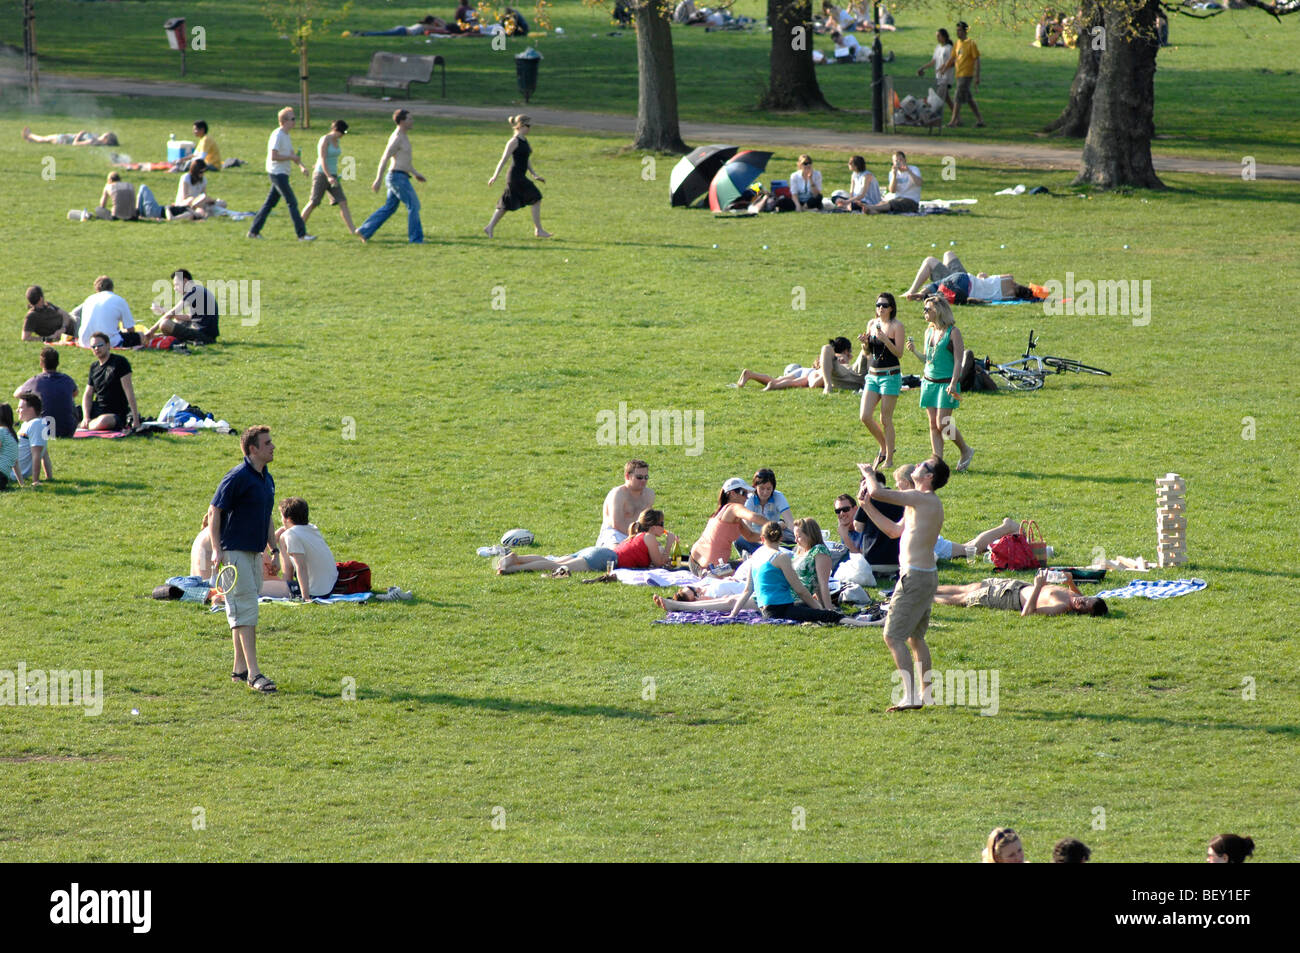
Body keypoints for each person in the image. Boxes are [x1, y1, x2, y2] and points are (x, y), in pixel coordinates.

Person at [862, 457, 949, 711]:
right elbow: (893, 531)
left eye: (924, 464)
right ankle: (927, 694)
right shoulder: (920, 502)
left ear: (929, 477)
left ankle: (911, 696)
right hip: (922, 576)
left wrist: (869, 473)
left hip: (915, 578)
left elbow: (878, 491)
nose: (918, 465)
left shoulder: (923, 498)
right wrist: (866, 507)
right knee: (915, 638)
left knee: (892, 636)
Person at [209, 426, 280, 692]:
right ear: (253, 449)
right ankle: (255, 674)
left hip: (253, 553)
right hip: (234, 554)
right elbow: (215, 510)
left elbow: (267, 515)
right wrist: (217, 549)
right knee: (246, 611)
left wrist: (274, 550)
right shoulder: (237, 476)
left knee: (242, 611)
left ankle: (239, 669)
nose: (273, 446)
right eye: (267, 443)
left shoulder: (266, 478)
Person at [728, 522, 870, 626]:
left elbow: (747, 590)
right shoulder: (781, 557)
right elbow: (800, 590)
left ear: (762, 538)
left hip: (765, 609)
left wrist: (733, 614)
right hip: (781, 608)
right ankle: (870, 624)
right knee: (827, 615)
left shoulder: (756, 555)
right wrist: (820, 610)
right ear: (781, 538)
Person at [905, 295, 974, 471]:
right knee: (933, 425)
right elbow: (928, 359)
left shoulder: (953, 332)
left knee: (943, 423)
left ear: (938, 310)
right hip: (929, 382)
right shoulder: (928, 331)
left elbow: (959, 361)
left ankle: (965, 450)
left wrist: (953, 382)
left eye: (928, 309)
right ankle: (937, 462)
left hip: (946, 384)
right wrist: (914, 352)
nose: (924, 312)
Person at [496, 508, 677, 576]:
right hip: (602, 559)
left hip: (600, 552)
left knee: (557, 561)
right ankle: (513, 568)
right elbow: (659, 563)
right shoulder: (649, 538)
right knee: (554, 566)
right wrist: (669, 544)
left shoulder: (640, 536)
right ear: (653, 526)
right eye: (662, 524)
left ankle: (517, 557)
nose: (664, 527)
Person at [357, 110, 426, 244]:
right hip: (397, 177)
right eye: (409, 119)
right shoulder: (397, 138)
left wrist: (416, 173)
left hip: (401, 176)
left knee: (390, 207)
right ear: (402, 122)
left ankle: (365, 230)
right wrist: (378, 179)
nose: (412, 121)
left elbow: (404, 161)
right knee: (414, 206)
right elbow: (385, 158)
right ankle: (416, 239)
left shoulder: (404, 136)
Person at [247, 107, 315, 241]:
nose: (295, 121)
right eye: (292, 119)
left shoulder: (286, 135)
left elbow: (292, 155)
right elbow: (274, 156)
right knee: (292, 202)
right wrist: (291, 158)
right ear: (284, 121)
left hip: (282, 173)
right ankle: (301, 235)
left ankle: (253, 232)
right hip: (277, 173)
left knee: (269, 204)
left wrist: (301, 166)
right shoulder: (277, 135)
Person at [859, 291, 905, 469]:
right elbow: (867, 353)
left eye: (884, 305)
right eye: (878, 305)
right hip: (873, 376)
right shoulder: (872, 323)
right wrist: (865, 343)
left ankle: (889, 460)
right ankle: (884, 446)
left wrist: (885, 339)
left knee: (885, 419)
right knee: (864, 416)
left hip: (890, 376)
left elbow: (899, 353)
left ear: (891, 308)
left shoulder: (896, 326)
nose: (880, 308)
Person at [260, 497, 340, 600]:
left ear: (287, 519)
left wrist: (305, 597)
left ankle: (288, 586)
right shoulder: (311, 528)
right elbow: (271, 542)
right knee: (282, 538)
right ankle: (287, 583)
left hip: (314, 591)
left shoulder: (290, 535)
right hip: (330, 587)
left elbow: (301, 567)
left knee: (254, 588)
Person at [485, 115, 551, 238]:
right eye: (528, 126)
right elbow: (503, 159)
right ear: (521, 125)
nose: (530, 128)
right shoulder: (513, 141)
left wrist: (534, 174)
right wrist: (494, 176)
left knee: (506, 203)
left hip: (519, 176)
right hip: (515, 177)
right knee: (536, 197)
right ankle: (539, 230)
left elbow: (526, 160)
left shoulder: (524, 140)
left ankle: (489, 227)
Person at [934, 570, 1109, 616]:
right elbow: (1077, 593)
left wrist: (1039, 586)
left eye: (1084, 605)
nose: (1081, 600)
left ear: (1083, 612)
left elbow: (1028, 613)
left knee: (964, 598)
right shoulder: (1075, 596)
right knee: (969, 587)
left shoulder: (1061, 607)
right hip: (1016, 585)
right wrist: (1070, 581)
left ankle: (928, 598)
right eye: (1086, 598)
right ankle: (927, 587)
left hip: (1010, 598)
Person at [689, 478, 771, 573]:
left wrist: (768, 536)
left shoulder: (724, 512)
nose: (746, 497)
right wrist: (773, 525)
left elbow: (750, 536)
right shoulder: (734, 508)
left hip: (694, 561)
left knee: (746, 562)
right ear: (732, 493)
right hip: (711, 569)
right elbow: (753, 516)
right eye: (743, 493)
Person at [735, 337, 861, 392]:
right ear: (846, 350)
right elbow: (839, 371)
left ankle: (750, 375)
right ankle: (771, 387)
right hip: (812, 375)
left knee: (778, 379)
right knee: (795, 383)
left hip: (805, 370)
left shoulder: (827, 354)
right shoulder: (841, 358)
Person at [903, 251, 1038, 303]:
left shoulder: (1008, 278)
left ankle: (913, 291)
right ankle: (937, 280)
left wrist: (983, 277)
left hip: (966, 280)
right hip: (967, 281)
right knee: (948, 255)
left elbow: (987, 279)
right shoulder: (1008, 297)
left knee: (929, 261)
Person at [301, 120, 358, 235]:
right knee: (314, 202)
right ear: (336, 130)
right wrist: (328, 176)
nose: (343, 135)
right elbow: (322, 158)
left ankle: (353, 230)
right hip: (322, 175)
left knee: (343, 202)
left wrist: (333, 176)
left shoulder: (337, 140)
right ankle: (300, 226)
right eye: (343, 132)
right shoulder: (325, 140)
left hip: (333, 175)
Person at [82, 332, 142, 432]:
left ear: (108, 345)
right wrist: (86, 416)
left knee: (104, 421)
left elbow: (129, 391)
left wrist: (135, 419)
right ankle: (86, 423)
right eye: (93, 346)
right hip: (97, 409)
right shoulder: (94, 367)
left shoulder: (120, 362)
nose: (96, 348)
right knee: (67, 411)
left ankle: (84, 426)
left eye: (100, 345)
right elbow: (88, 394)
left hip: (115, 413)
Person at [14, 346, 79, 437]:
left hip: (43, 430)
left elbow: (17, 394)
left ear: (41, 363)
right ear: (58, 363)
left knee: (28, 400)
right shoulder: (67, 380)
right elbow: (75, 393)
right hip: (67, 431)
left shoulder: (35, 381)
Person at [143, 269, 220, 345]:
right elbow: (190, 317)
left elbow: (172, 312)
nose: (175, 288)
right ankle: (158, 337)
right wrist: (164, 312)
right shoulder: (198, 290)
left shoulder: (193, 292)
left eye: (177, 284)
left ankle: (155, 337)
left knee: (165, 323)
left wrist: (151, 330)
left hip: (204, 336)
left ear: (185, 281)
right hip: (207, 335)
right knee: (177, 320)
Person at [736, 468, 794, 555]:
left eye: (769, 489)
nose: (765, 492)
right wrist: (763, 540)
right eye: (762, 488)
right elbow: (747, 526)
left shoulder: (778, 496)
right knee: (739, 539)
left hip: (775, 537)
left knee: (792, 538)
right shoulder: (749, 499)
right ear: (755, 487)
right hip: (756, 537)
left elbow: (790, 522)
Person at [598, 459, 654, 549]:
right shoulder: (618, 493)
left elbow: (647, 522)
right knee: (618, 552)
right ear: (627, 476)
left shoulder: (649, 494)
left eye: (646, 477)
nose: (643, 480)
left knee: (659, 551)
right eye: (639, 477)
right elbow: (616, 523)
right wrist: (635, 538)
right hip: (615, 535)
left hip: (637, 536)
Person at [74, 276, 139, 349]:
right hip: (108, 342)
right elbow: (130, 329)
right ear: (112, 287)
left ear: (96, 289)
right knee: (139, 336)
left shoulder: (89, 299)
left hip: (84, 342)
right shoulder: (119, 300)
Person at [945, 21, 984, 127]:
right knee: (969, 99)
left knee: (957, 98)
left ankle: (954, 121)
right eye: (957, 30)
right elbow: (952, 58)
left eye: (960, 30)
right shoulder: (957, 43)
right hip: (959, 75)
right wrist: (944, 68)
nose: (958, 32)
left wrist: (977, 76)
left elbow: (977, 59)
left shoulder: (971, 43)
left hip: (966, 75)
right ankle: (980, 120)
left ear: (965, 31)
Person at [792, 517, 835, 609]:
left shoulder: (819, 551)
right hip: (786, 593)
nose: (795, 541)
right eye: (794, 536)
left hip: (798, 599)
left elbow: (822, 584)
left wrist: (828, 609)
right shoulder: (799, 551)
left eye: (798, 536)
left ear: (810, 535)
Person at [13, 392, 52, 486]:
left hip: (11, 473)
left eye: (20, 408)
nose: (17, 410)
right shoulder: (28, 424)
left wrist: (35, 481)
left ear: (31, 409)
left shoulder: (36, 424)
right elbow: (45, 454)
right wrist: (49, 477)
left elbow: (37, 455)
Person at [917, 28, 955, 110]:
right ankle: (957, 118)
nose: (937, 38)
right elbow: (933, 62)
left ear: (944, 36)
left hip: (946, 78)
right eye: (936, 36)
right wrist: (922, 68)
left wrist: (944, 68)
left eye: (939, 36)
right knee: (947, 99)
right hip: (939, 78)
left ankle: (933, 117)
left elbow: (953, 62)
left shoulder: (949, 48)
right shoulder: (938, 48)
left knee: (937, 100)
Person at [22, 127, 118, 146]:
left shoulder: (93, 141)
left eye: (107, 134)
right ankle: (30, 139)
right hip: (66, 137)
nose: (106, 132)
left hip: (64, 140)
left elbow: (75, 144)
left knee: (44, 139)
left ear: (106, 139)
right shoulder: (96, 139)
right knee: (45, 140)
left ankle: (29, 134)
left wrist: (80, 134)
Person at [0, 405, 19, 490]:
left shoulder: (1, 431)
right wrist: (21, 483)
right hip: (3, 479)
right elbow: (15, 463)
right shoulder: (12, 435)